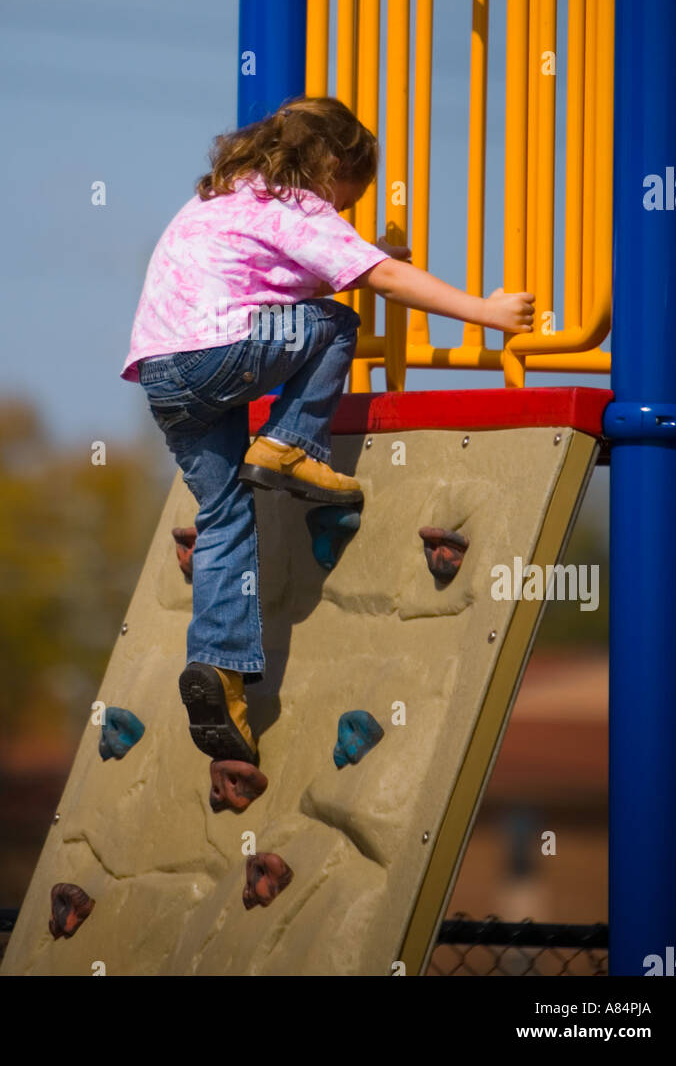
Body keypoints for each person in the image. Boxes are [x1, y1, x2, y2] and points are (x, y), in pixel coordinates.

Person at [120, 96, 534, 767]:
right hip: (217, 351)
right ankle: (290, 445)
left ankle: (218, 671)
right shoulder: (297, 206)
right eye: (348, 195)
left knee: (225, 516)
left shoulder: (219, 200)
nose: (343, 211)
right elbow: (383, 280)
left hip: (162, 375)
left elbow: (280, 274)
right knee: (333, 323)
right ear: (331, 167)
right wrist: (485, 312)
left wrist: (361, 253)